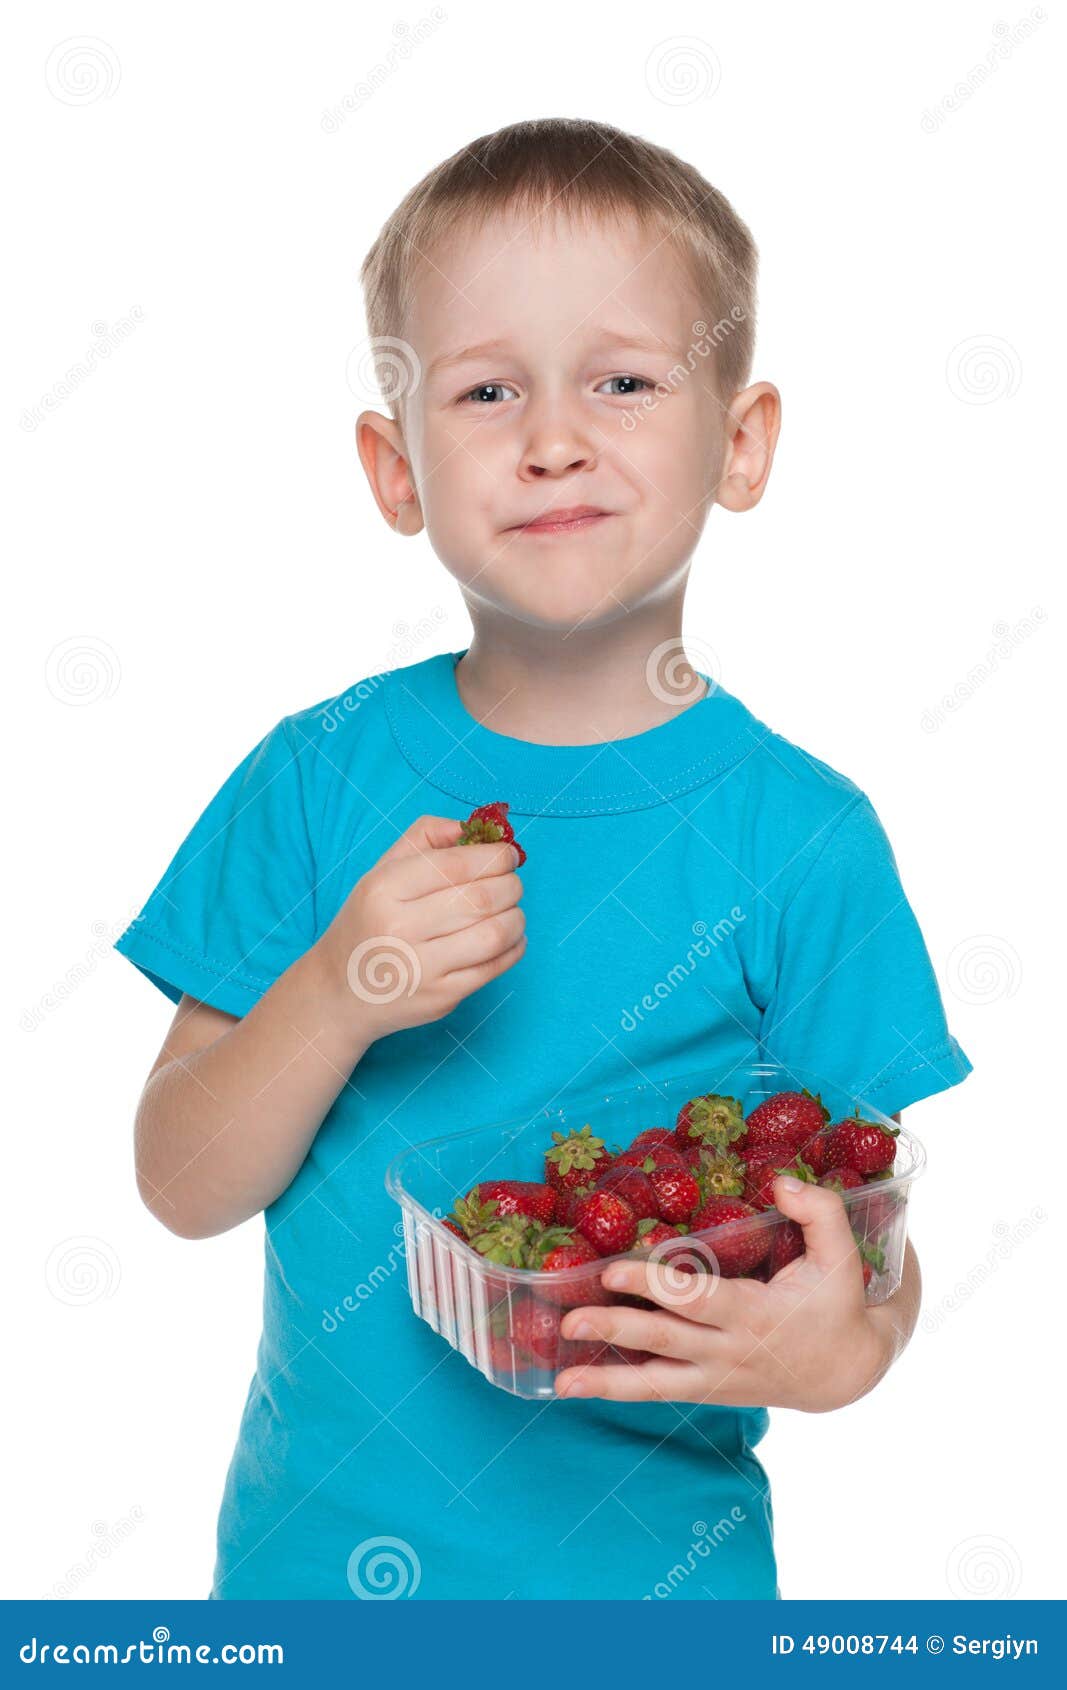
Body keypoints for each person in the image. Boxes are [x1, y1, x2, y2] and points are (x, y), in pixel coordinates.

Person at [115, 117, 972, 1600]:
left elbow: (863, 1218)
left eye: (625, 381)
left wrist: (848, 1346)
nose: (554, 436)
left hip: (666, 1604)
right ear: (397, 470)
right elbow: (181, 1181)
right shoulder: (318, 783)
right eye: (488, 388)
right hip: (316, 1593)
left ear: (743, 441)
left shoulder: (806, 838)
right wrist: (339, 990)